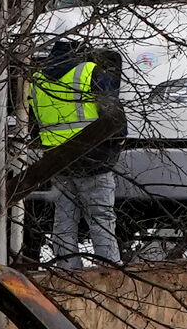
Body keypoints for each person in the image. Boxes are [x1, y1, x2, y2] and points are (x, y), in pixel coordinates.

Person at [31, 37, 126, 268]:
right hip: (94, 158)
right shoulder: (89, 72)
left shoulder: (36, 79)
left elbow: (35, 123)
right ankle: (109, 269)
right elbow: (112, 115)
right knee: (101, 218)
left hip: (58, 160)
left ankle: (66, 270)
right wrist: (119, 142)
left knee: (63, 219)